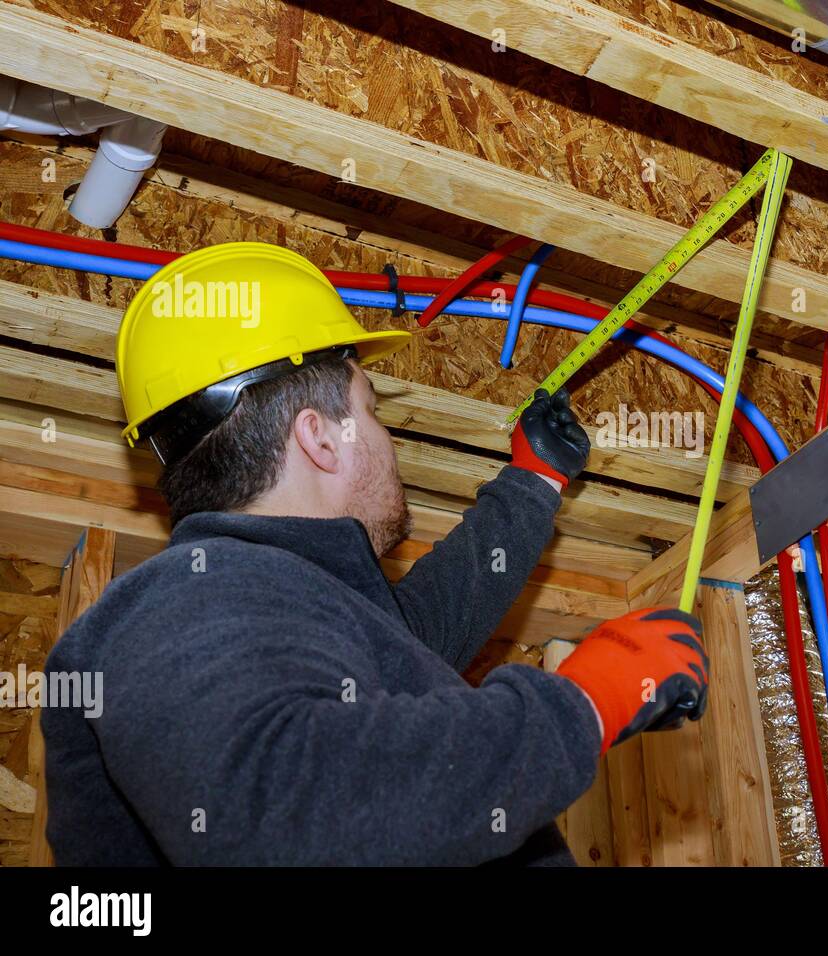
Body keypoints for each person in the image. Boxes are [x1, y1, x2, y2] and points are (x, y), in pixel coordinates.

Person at [42, 242, 709, 865]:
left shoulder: (258, 607)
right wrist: (584, 702)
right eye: (372, 411)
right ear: (322, 440)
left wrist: (533, 484)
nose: (389, 440)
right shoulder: (169, 605)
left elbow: (417, 634)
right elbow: (285, 806)